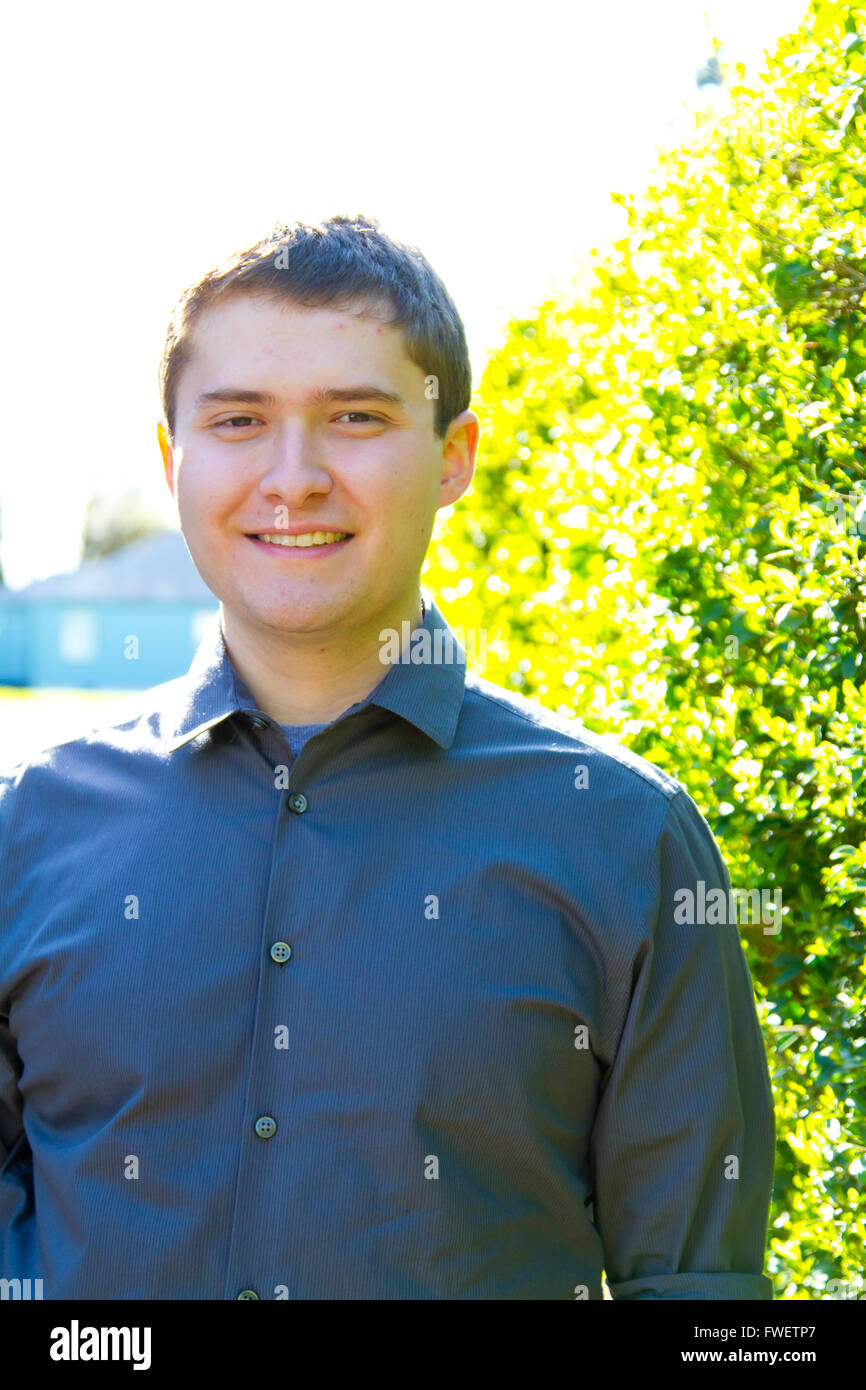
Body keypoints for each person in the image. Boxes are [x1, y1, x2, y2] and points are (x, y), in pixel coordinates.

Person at [0, 214, 775, 1300]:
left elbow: (699, 1293)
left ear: (452, 457)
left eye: (355, 417)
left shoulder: (622, 835)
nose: (293, 477)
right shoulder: (26, 826)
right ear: (173, 459)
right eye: (238, 421)